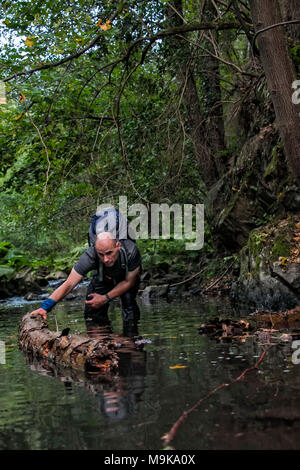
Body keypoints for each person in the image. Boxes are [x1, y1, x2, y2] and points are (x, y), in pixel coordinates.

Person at [31, 231, 142, 323]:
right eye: (101, 254)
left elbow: (129, 282)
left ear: (117, 246)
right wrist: (45, 307)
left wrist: (105, 298)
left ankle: (130, 341)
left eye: (109, 253)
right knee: (92, 312)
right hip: (104, 277)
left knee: (129, 307)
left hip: (127, 277)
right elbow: (69, 283)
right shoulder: (90, 256)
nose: (105, 259)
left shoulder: (131, 251)